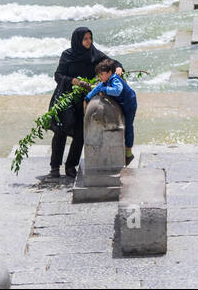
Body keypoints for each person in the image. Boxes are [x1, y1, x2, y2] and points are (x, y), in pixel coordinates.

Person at [47, 27, 119, 179]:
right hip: (65, 99)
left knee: (80, 134)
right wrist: (73, 81)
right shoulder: (67, 55)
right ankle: (54, 166)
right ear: (78, 40)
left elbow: (112, 63)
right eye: (85, 39)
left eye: (90, 38)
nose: (88, 42)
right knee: (60, 132)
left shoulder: (94, 54)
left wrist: (118, 68)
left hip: (83, 101)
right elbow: (58, 75)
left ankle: (71, 166)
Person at [83, 58, 138, 166]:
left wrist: (104, 90)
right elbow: (97, 89)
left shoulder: (114, 79)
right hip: (121, 103)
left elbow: (118, 90)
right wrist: (87, 98)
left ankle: (128, 152)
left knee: (128, 126)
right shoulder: (105, 81)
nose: (100, 77)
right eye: (99, 75)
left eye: (102, 74)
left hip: (129, 103)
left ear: (110, 73)